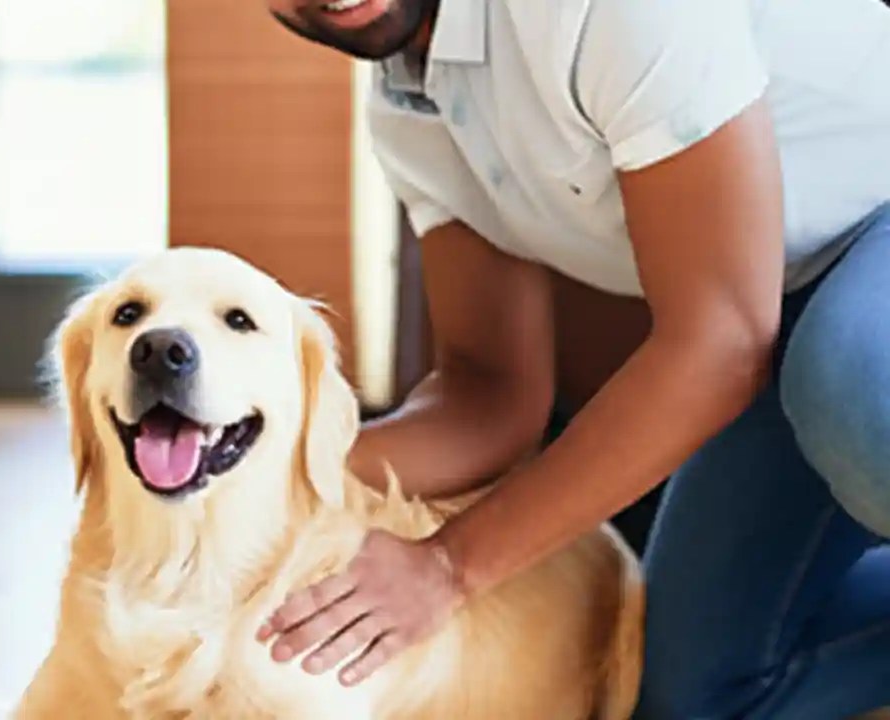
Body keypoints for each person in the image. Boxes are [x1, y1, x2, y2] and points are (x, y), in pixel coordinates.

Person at [252, 0, 890, 717]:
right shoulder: (407, 116)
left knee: (855, 391)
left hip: (850, 259)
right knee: (702, 692)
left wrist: (447, 565)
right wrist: (269, 474)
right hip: (783, 307)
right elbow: (487, 394)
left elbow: (720, 348)